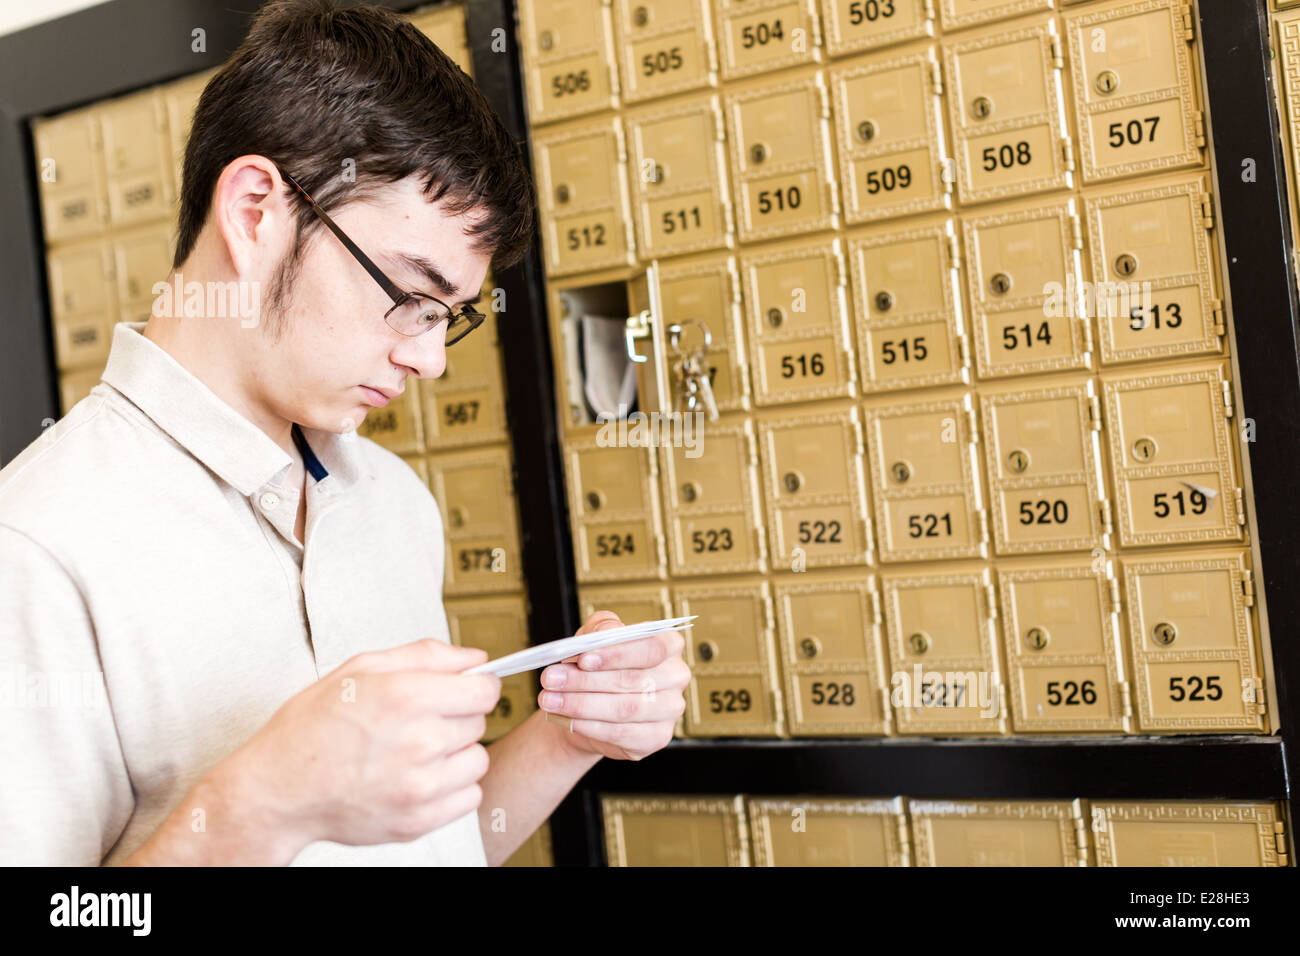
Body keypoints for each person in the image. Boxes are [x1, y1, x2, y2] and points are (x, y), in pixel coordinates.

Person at [0, 0, 688, 866]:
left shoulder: (393, 503)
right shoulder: (35, 548)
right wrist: (259, 805)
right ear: (256, 210)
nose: (431, 359)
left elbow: (439, 849)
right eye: (408, 295)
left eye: (448, 317)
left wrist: (569, 734)